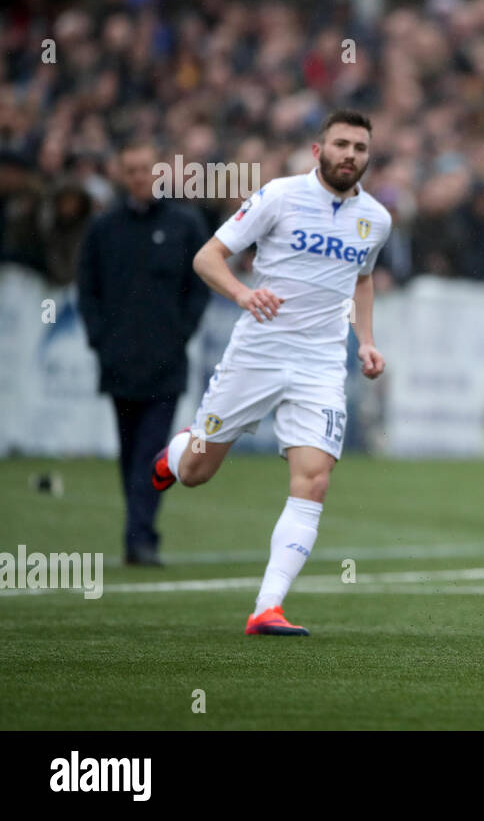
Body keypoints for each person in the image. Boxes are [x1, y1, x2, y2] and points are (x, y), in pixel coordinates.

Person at [150, 110, 391, 635]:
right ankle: (175, 452)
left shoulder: (376, 218)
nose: (351, 155)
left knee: (315, 479)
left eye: (360, 148)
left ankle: (267, 607)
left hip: (321, 365)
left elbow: (363, 280)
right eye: (342, 144)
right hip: (257, 353)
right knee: (196, 472)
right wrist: (242, 293)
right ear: (317, 149)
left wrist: (367, 341)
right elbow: (208, 256)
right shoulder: (279, 196)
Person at [77, 140, 209, 566]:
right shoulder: (103, 228)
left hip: (166, 363)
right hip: (118, 363)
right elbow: (87, 288)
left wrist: (181, 332)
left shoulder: (184, 224)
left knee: (153, 450)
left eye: (145, 169)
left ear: (161, 172)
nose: (139, 177)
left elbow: (201, 284)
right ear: (120, 173)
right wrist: (100, 339)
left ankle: (140, 537)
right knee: (130, 452)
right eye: (131, 170)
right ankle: (139, 534)